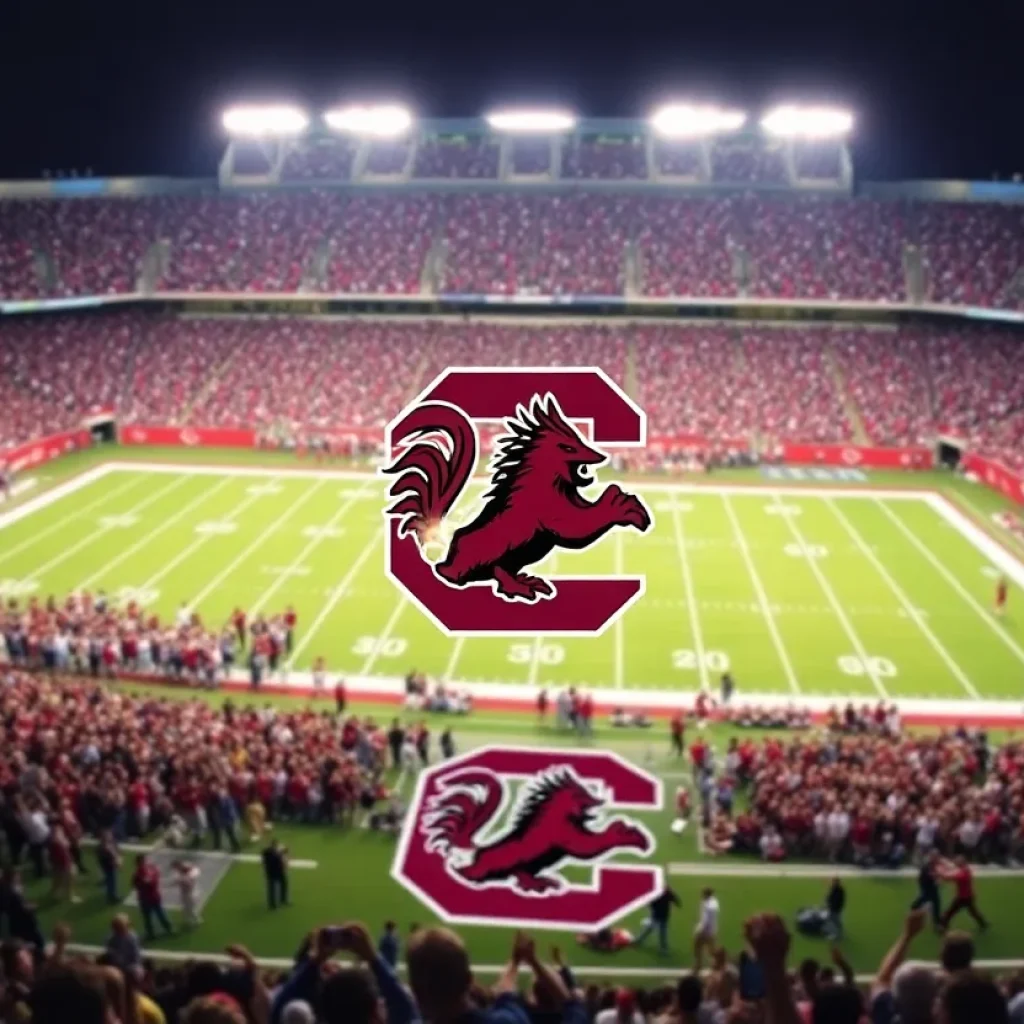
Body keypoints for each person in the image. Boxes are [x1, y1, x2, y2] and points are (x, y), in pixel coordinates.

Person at [939, 856, 989, 931]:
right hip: (968, 896)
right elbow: (953, 874)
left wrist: (941, 873)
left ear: (962, 863)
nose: (955, 863)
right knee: (973, 912)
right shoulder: (965, 870)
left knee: (950, 912)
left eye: (957, 862)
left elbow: (950, 877)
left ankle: (943, 926)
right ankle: (983, 924)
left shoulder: (963, 873)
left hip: (962, 897)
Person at [132, 853, 173, 940]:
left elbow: (137, 884)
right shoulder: (150, 869)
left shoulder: (139, 872)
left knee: (150, 916)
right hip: (152, 896)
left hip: (147, 897)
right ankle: (167, 929)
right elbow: (154, 877)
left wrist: (143, 882)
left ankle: (152, 933)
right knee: (158, 914)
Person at [633, 886, 680, 955]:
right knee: (660, 932)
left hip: (657, 915)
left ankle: (639, 940)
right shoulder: (667, 893)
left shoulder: (658, 893)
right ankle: (663, 949)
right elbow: (676, 900)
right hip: (663, 915)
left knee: (652, 929)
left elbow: (650, 903)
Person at [911, 852, 942, 929]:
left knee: (935, 903)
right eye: (935, 857)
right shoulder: (927, 866)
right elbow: (930, 875)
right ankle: (914, 909)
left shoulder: (932, 865)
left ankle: (937, 922)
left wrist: (937, 878)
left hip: (931, 887)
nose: (937, 859)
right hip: (928, 887)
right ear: (931, 857)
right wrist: (939, 876)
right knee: (926, 900)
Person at [693, 887, 719, 971]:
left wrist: (700, 929)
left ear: (706, 895)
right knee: (711, 949)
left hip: (705, 930)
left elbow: (706, 920)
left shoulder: (707, 906)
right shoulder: (713, 902)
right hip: (712, 930)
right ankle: (716, 964)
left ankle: (698, 965)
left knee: (697, 947)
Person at [173, 860, 201, 928]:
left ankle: (197, 920)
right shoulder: (185, 875)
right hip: (186, 893)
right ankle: (188, 921)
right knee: (186, 908)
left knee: (190, 908)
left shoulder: (185, 877)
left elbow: (179, 882)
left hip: (189, 893)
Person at [262, 838, 289, 909]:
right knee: (272, 889)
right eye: (276, 845)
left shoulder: (274, 851)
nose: (277, 846)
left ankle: (283, 899)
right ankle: (272, 904)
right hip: (272, 872)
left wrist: (284, 852)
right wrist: (281, 853)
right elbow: (274, 858)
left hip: (279, 871)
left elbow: (281, 854)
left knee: (284, 884)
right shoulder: (267, 852)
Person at [826, 876, 846, 940]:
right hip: (832, 907)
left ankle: (836, 934)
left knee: (835, 921)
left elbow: (839, 900)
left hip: (835, 908)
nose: (833, 882)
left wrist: (834, 906)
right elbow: (830, 897)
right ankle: (835, 933)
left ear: (837, 882)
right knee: (832, 920)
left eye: (834, 881)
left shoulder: (840, 890)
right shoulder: (833, 888)